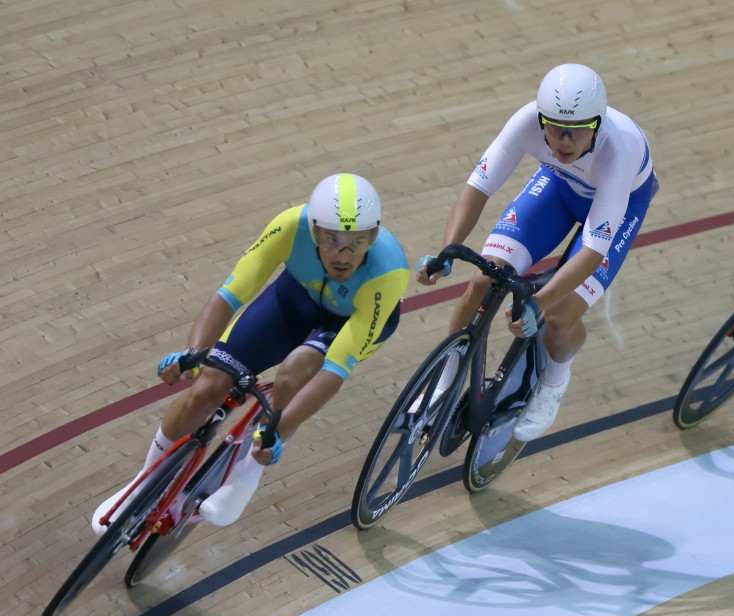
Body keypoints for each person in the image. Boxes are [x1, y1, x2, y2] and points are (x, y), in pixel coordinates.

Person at [92, 173, 408, 533]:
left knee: (297, 369)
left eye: (357, 243)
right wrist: (191, 357)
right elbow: (230, 295)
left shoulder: (387, 271)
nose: (343, 254)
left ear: (375, 237)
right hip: (298, 298)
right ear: (315, 231)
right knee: (207, 387)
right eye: (332, 240)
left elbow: (333, 372)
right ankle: (143, 484)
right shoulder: (290, 227)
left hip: (354, 320)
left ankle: (247, 473)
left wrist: (276, 432)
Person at [416, 64, 657, 441]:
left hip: (618, 204)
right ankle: (443, 384)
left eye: (576, 129)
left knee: (560, 315)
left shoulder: (617, 149)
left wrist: (538, 303)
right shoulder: (527, 122)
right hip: (559, 186)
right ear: (541, 118)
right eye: (554, 126)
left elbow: (594, 250)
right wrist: (447, 250)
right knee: (483, 277)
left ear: (596, 124)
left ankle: (554, 381)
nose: (563, 139)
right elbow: (478, 187)